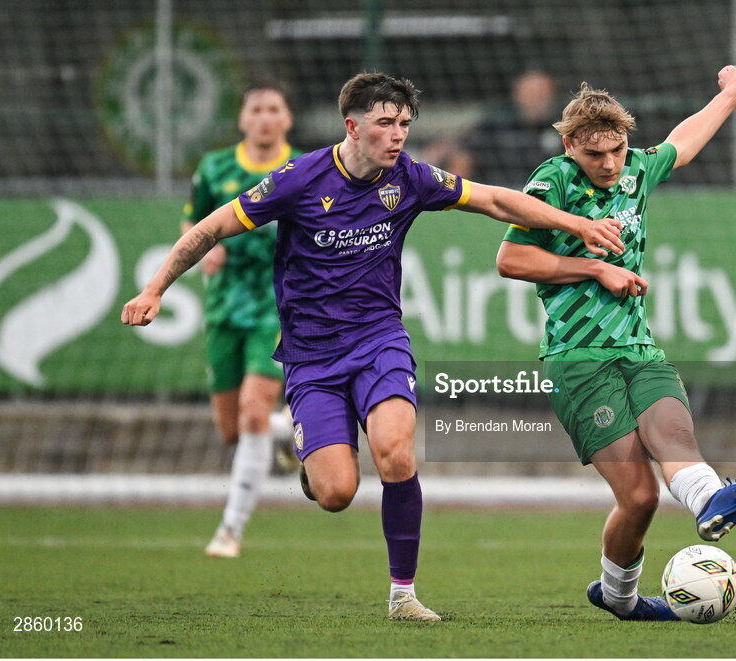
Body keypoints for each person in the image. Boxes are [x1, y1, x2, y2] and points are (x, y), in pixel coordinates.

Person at [122, 72, 625, 622]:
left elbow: (496, 201)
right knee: (336, 492)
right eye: (386, 123)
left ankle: (402, 595)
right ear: (353, 126)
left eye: (404, 123)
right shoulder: (299, 178)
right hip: (311, 356)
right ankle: (310, 459)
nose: (398, 134)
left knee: (396, 453)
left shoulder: (410, 177)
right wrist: (154, 289)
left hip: (379, 340)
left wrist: (576, 224)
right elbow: (210, 228)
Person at [496, 67, 736, 622]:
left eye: (618, 150)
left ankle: (710, 500)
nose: (609, 164)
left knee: (675, 435)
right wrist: (593, 268)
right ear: (569, 146)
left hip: (639, 348)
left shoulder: (635, 171)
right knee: (640, 498)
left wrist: (729, 95)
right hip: (578, 359)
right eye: (594, 154)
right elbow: (510, 259)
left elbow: (683, 142)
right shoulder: (554, 181)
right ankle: (620, 597)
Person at [183, 82, 303, 559]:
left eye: (274, 109)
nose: (265, 118)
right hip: (225, 307)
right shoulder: (215, 168)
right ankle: (290, 429)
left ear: (287, 119)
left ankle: (230, 530)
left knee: (253, 413)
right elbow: (193, 222)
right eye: (256, 109)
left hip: (278, 305)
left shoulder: (305, 169)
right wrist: (204, 249)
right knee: (232, 429)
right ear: (243, 119)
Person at [467, 69, 562, 187]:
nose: (537, 99)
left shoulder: (565, 128)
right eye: (531, 93)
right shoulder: (495, 125)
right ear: (517, 95)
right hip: (500, 189)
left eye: (542, 93)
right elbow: (464, 155)